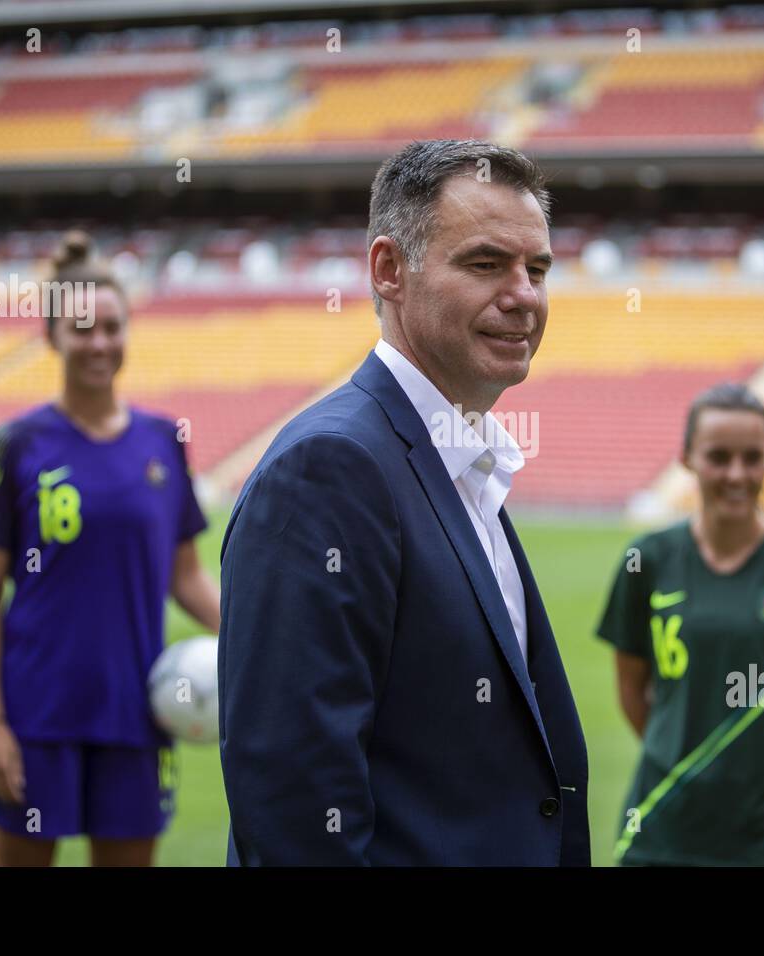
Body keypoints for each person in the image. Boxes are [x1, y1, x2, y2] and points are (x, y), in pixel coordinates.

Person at [219, 139, 589, 866]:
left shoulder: (459, 462)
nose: (523, 295)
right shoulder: (332, 468)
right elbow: (295, 804)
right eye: (486, 263)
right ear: (390, 270)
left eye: (537, 268)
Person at [0, 231, 221, 866]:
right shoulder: (15, 445)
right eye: (82, 329)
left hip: (137, 711)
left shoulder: (163, 442)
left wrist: (254, 637)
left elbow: (185, 576)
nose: (99, 343)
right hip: (36, 714)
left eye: (112, 327)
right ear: (52, 337)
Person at [598, 382, 764, 866]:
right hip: (662, 821)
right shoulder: (645, 560)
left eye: (752, 457)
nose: (736, 474)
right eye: (718, 457)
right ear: (687, 459)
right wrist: (684, 762)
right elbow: (632, 689)